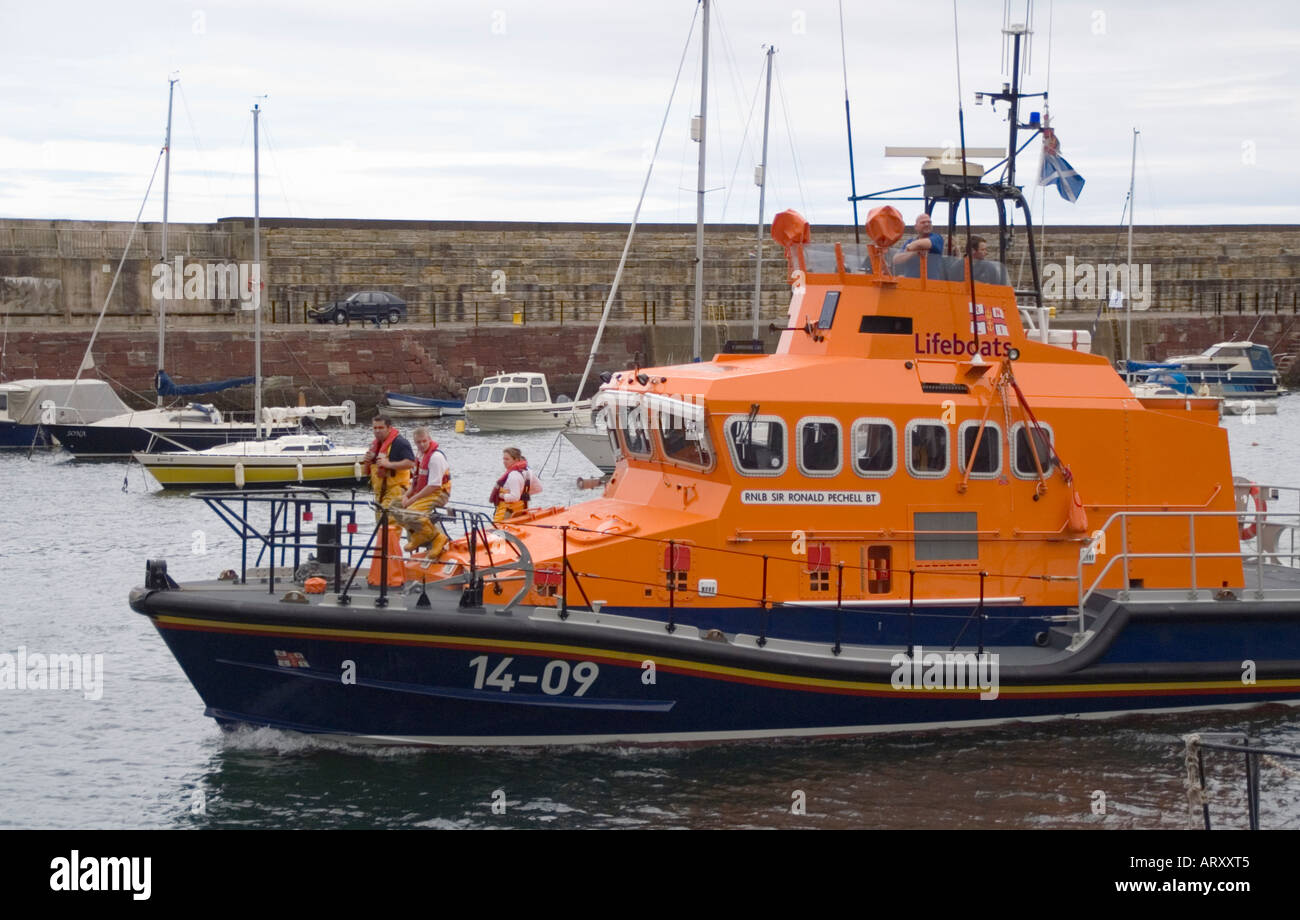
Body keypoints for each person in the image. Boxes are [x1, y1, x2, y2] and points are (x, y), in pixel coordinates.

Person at [398, 426, 452, 557]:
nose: (421, 444)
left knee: (410, 513)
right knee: (397, 510)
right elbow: (415, 481)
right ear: (415, 442)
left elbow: (434, 485)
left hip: (439, 493)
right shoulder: (420, 456)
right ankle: (418, 536)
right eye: (418, 442)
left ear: (429, 439)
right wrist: (406, 496)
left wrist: (412, 500)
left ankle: (437, 537)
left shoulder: (435, 457)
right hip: (424, 491)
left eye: (424, 441)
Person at [362, 414, 416, 521]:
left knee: (389, 528)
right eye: (375, 428)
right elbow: (366, 472)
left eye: (381, 428)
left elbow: (411, 463)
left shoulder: (400, 443)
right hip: (379, 496)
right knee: (381, 528)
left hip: (395, 494)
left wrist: (389, 464)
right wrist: (367, 461)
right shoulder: (375, 446)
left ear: (389, 428)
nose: (377, 431)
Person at [489, 447, 543, 523]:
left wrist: (501, 495)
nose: (504, 462)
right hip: (521, 510)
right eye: (503, 459)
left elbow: (515, 497)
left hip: (507, 513)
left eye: (507, 459)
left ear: (516, 460)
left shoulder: (513, 475)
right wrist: (523, 493)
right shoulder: (528, 471)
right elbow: (539, 488)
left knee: (499, 531)